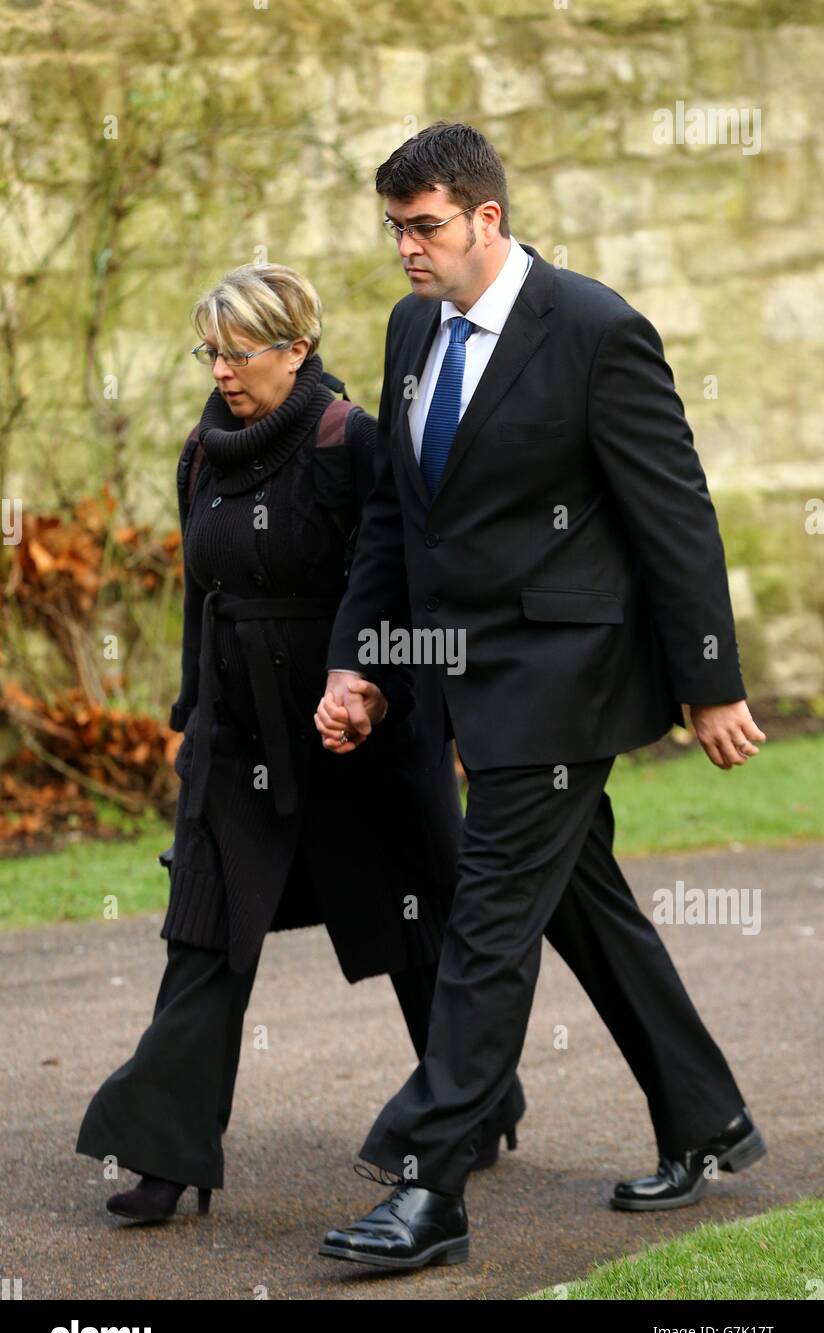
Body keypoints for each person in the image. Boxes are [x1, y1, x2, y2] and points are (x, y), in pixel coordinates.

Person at [314, 122, 768, 1271]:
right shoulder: (412, 329)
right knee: (579, 902)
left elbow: (675, 517)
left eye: (423, 227)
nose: (406, 250)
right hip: (461, 679)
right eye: (394, 229)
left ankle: (429, 1190)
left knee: (485, 925)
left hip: (568, 683)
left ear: (485, 219)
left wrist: (709, 683)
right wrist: (360, 659)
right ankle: (707, 1114)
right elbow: (393, 516)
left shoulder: (596, 330)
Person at [75, 260, 524, 1223]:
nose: (224, 369)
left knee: (410, 925)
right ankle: (164, 1150)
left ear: (298, 347)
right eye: (212, 351)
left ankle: (470, 1102)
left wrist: (380, 694)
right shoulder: (201, 449)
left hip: (355, 732)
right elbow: (207, 600)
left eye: (241, 352)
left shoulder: (349, 440)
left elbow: (400, 576)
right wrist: (191, 723)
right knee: (205, 933)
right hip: (238, 737)